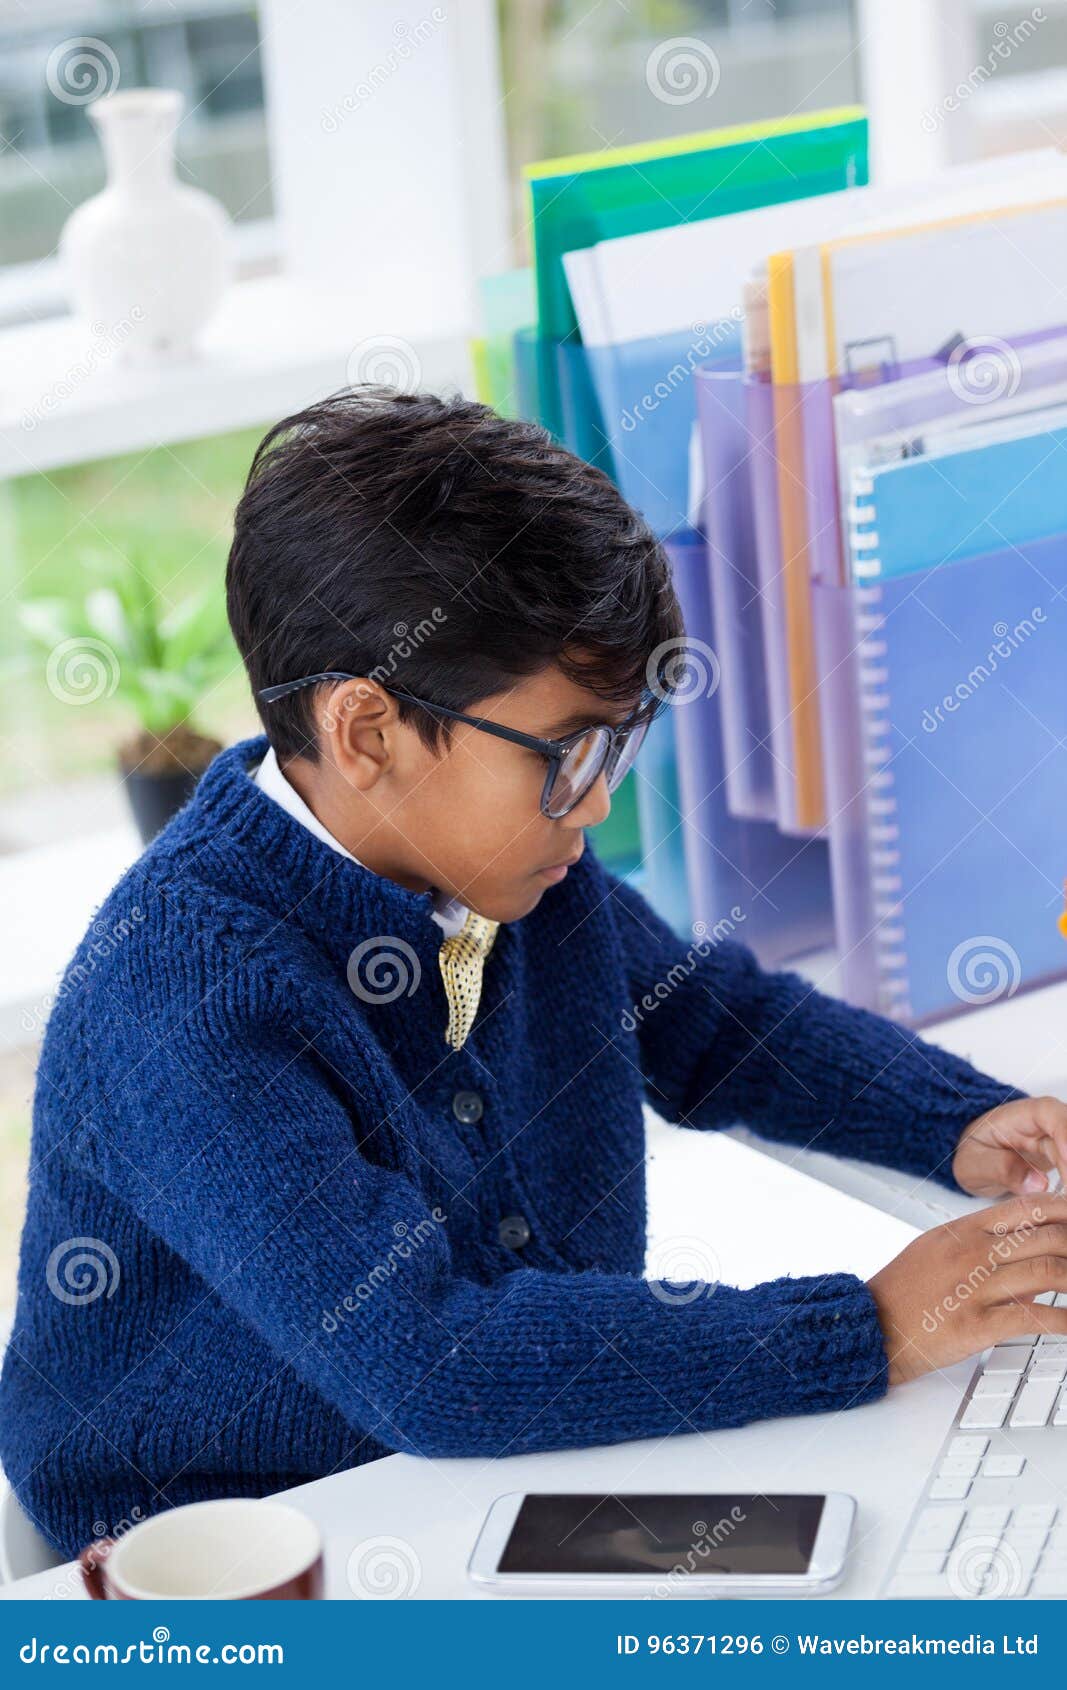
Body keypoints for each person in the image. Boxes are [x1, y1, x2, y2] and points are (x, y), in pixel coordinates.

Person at [4, 387, 1067, 1560]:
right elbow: (431, 1360)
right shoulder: (184, 993)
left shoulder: (503, 863)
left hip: (504, 1447)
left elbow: (713, 1023)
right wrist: (867, 1327)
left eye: (618, 744)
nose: (598, 802)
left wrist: (957, 1121)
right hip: (240, 1538)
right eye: (566, 754)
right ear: (365, 732)